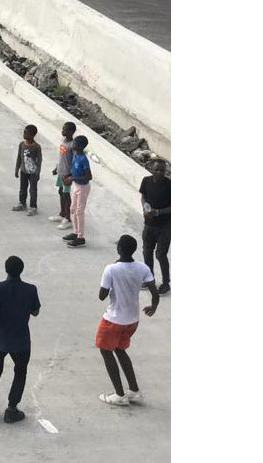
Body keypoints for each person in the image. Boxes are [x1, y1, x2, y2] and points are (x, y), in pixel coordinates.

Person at [97, 235, 160, 405]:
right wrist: (153, 307)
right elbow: (154, 292)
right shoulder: (143, 268)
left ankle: (119, 395)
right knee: (119, 349)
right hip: (132, 320)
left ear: (119, 250)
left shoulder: (111, 269)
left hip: (114, 319)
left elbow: (101, 296)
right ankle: (133, 390)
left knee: (105, 350)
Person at [0, 255, 40, 423]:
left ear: (6, 270)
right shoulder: (31, 289)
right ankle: (11, 409)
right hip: (20, 340)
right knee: (20, 372)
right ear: (21, 270)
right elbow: (35, 311)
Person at [139, 159, 171, 294]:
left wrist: (157, 212)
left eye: (162, 170)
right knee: (147, 252)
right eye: (157, 169)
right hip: (149, 225)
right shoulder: (146, 181)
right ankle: (149, 279)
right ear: (151, 169)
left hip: (165, 226)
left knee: (160, 254)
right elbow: (143, 197)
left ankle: (165, 283)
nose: (159, 172)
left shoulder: (170, 185)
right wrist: (145, 208)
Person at [64, 136, 93, 248]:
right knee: (73, 209)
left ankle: (81, 237)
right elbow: (74, 171)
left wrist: (72, 179)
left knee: (79, 211)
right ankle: (75, 232)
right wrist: (69, 176)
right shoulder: (75, 155)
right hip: (76, 186)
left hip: (83, 187)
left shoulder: (83, 159)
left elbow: (88, 177)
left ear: (80, 146)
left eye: (75, 143)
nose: (72, 144)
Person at [51, 122, 77, 228]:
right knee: (61, 192)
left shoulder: (73, 145)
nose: (62, 130)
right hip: (61, 172)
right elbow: (61, 157)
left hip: (67, 174)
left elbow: (75, 161)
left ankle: (68, 218)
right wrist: (57, 168)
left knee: (66, 195)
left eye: (65, 129)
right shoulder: (63, 141)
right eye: (63, 128)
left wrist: (71, 176)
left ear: (71, 132)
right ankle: (62, 214)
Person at [13, 124, 43, 216]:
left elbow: (39, 161)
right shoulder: (22, 144)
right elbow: (19, 157)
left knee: (33, 190)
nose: (24, 134)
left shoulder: (37, 147)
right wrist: (17, 169)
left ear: (32, 135)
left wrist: (38, 173)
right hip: (23, 171)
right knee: (22, 189)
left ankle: (33, 207)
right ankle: (22, 203)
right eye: (24, 132)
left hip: (33, 173)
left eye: (26, 133)